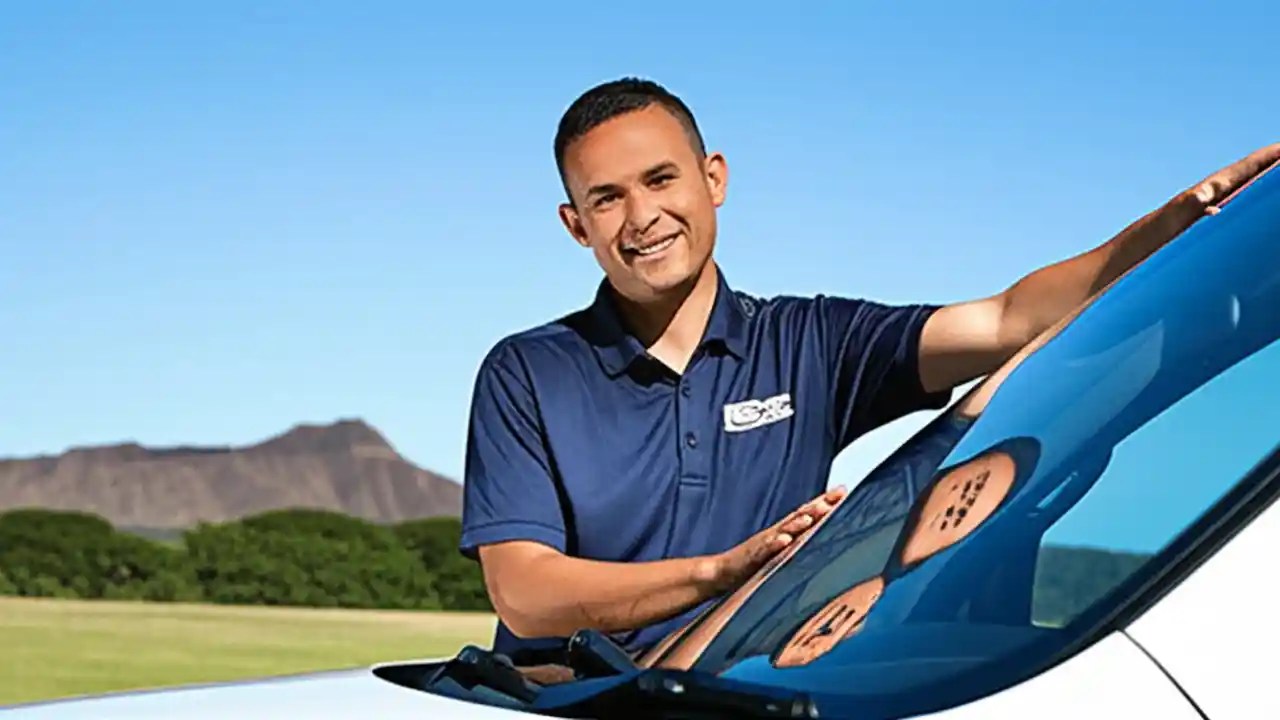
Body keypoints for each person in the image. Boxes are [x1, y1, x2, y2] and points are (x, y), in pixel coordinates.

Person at [458, 76, 1279, 665]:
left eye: (661, 179)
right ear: (576, 225)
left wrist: (1183, 221)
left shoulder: (813, 341)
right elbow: (525, 593)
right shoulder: (526, 372)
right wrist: (720, 572)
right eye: (606, 199)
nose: (642, 217)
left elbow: (1006, 319)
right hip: (565, 699)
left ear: (714, 180)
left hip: (737, 690)